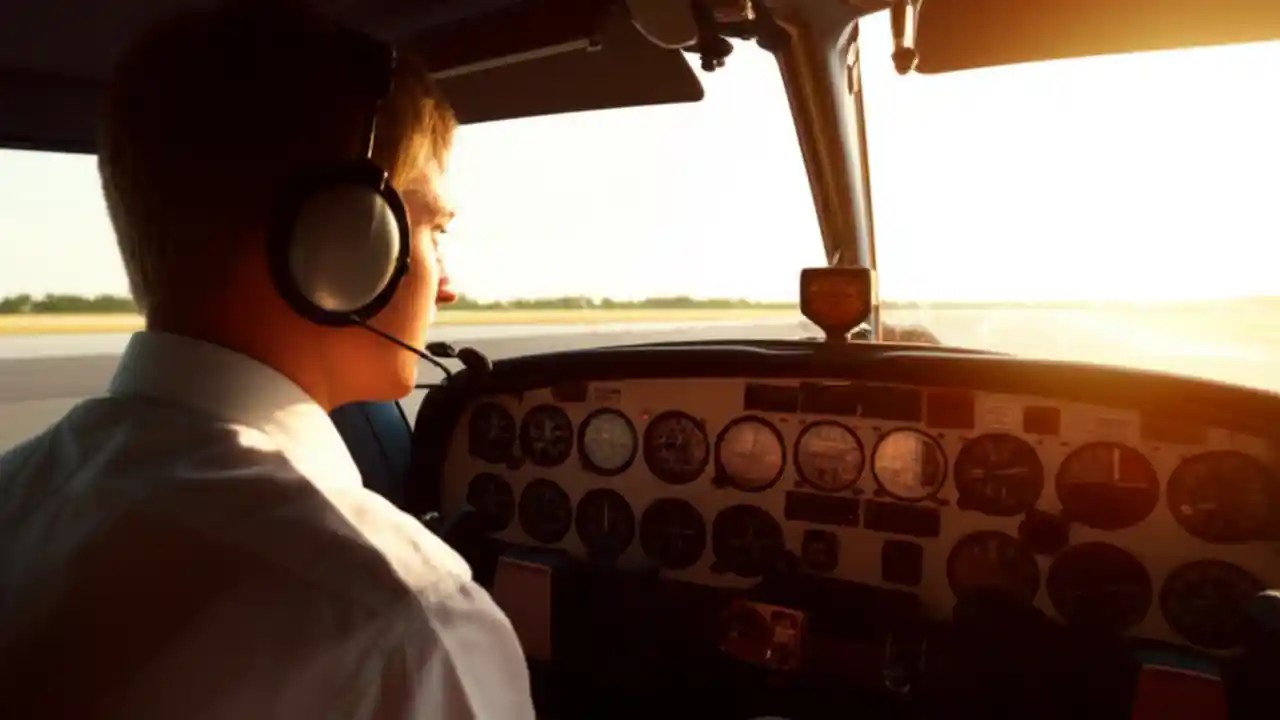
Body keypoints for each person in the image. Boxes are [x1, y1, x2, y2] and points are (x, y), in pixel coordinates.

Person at [0, 2, 534, 718]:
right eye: (433, 228)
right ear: (344, 244)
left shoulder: (17, 494)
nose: (449, 285)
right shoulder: (397, 616)